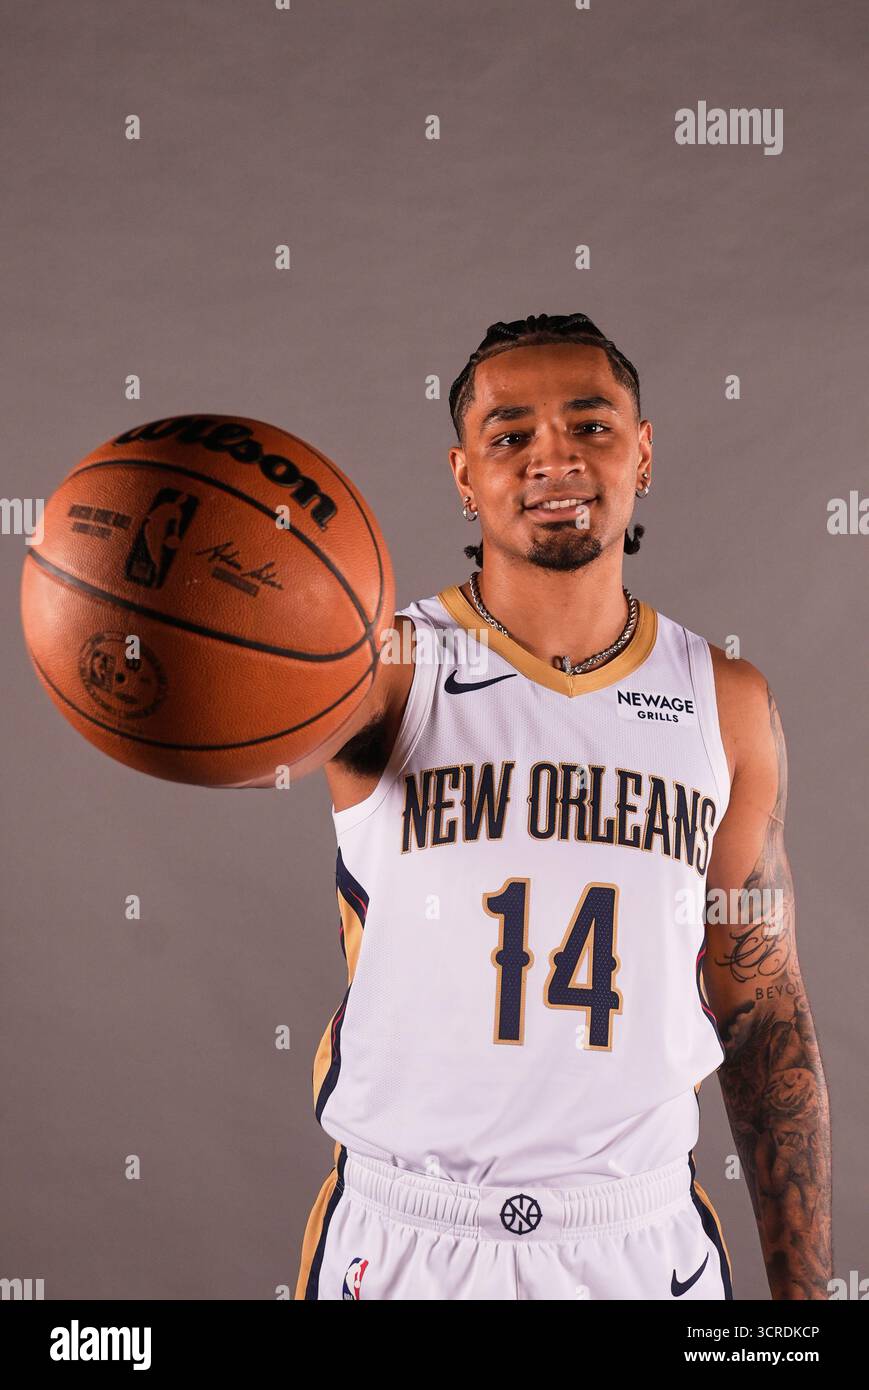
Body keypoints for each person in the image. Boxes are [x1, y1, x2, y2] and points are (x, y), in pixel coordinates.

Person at [294, 312, 831, 1300]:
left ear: (642, 452)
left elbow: (762, 1012)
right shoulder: (375, 672)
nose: (553, 457)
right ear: (463, 475)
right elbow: (227, 711)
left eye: (590, 425)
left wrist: (803, 1302)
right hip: (410, 1228)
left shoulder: (724, 703)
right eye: (508, 435)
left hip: (633, 1235)